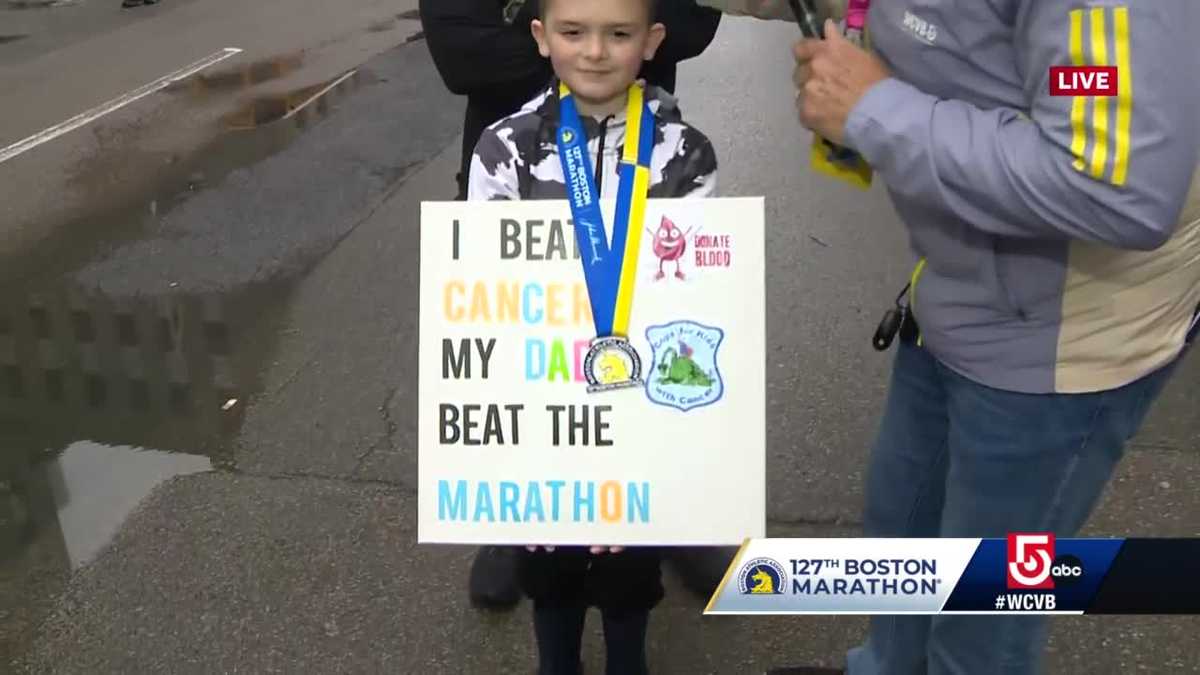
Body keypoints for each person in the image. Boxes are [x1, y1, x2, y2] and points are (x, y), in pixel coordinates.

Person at [783, 1, 1200, 674]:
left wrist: (874, 110)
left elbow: (1113, 180)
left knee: (981, 619)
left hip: (1058, 339)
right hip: (959, 281)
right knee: (903, 543)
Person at [420, 0, 733, 612]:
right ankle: (523, 509)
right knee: (519, 342)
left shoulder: (683, 148)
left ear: (646, 37)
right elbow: (460, 52)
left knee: (661, 330)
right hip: (518, 163)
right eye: (568, 32)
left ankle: (665, 506)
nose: (593, 48)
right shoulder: (512, 135)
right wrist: (600, 33)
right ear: (545, 35)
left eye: (618, 32)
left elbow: (695, 23)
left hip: (643, 158)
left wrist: (579, 27)